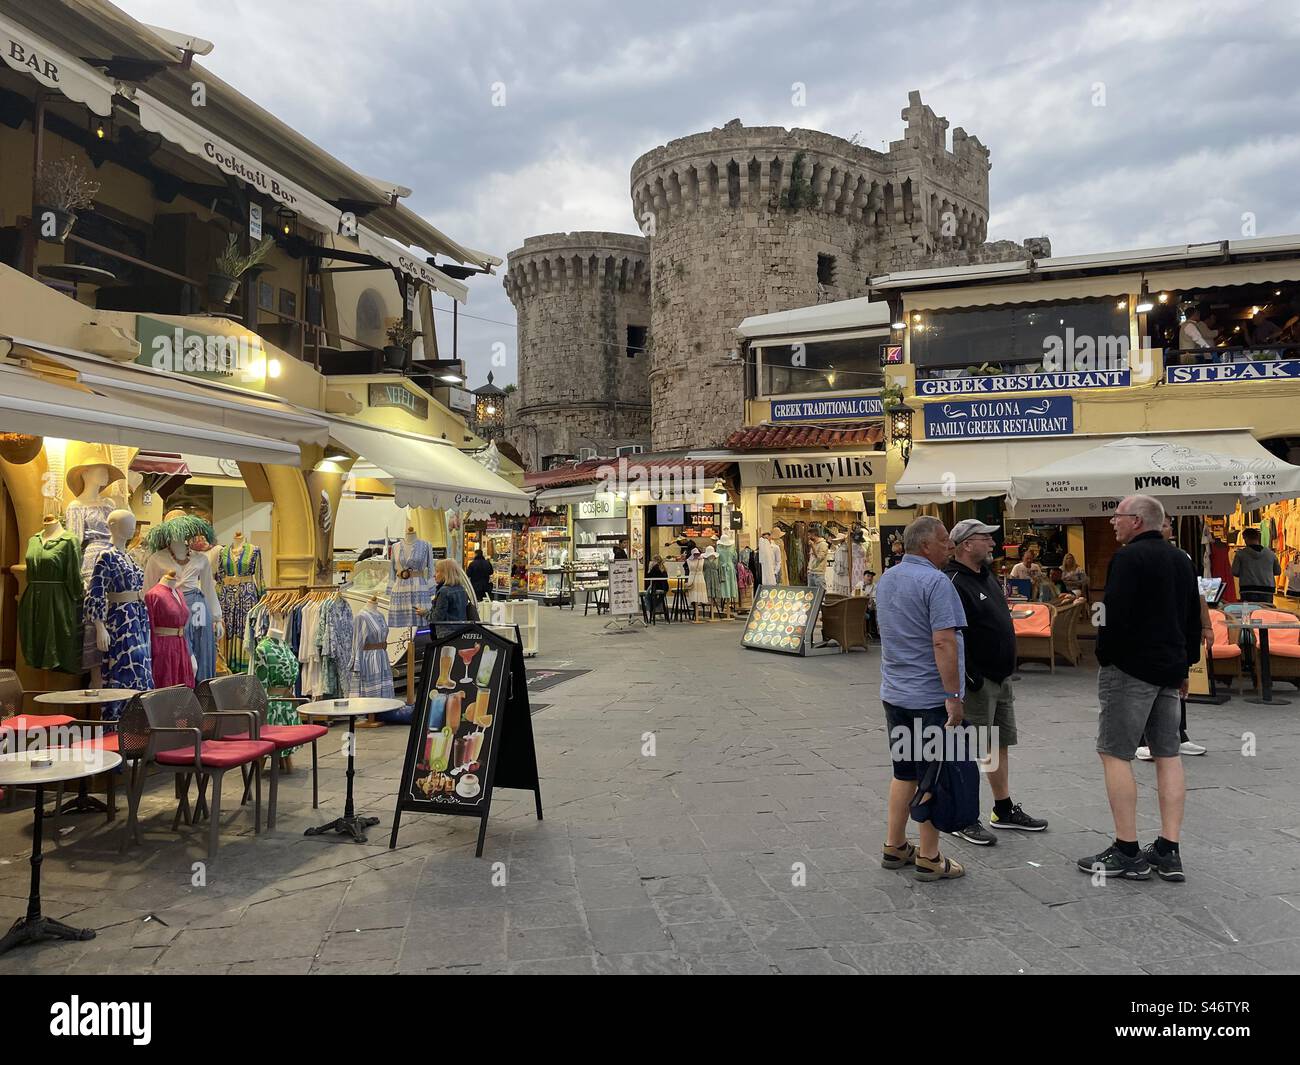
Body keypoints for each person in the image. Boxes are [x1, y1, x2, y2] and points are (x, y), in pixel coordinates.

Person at [1078, 495, 1201, 883]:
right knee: (1168, 754)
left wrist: (1105, 655)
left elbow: (1112, 614)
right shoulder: (1181, 560)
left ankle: (1127, 849)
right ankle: (1169, 848)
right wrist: (1185, 666)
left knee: (1115, 753)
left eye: (1117, 516)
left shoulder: (1128, 559)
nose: (1112, 522)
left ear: (1136, 520)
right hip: (1170, 669)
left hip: (1130, 669)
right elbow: (1191, 616)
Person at [944, 519, 1049, 847]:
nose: (992, 543)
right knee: (966, 749)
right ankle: (963, 817)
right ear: (965, 544)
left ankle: (1002, 809)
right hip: (978, 681)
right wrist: (968, 677)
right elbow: (950, 636)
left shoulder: (985, 574)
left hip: (1001, 677)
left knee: (996, 744)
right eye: (984, 538)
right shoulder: (953, 581)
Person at [875, 516, 967, 882]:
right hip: (928, 696)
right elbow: (943, 641)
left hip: (894, 693)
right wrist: (953, 696)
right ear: (926, 545)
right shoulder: (936, 581)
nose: (950, 545)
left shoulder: (888, 579)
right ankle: (930, 856)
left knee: (904, 772)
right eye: (945, 539)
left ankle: (894, 845)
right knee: (934, 775)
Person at [1136, 516, 1211, 760]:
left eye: (1167, 524)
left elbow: (1197, 594)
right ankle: (1143, 739)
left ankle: (1179, 734)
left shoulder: (1183, 558)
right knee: (1146, 686)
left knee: (1178, 682)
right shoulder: (1135, 556)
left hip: (1177, 631)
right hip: (1147, 633)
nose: (1162, 529)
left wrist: (1206, 625)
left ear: (1172, 530)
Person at [430, 557, 480, 635]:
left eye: (437, 571)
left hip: (447, 633)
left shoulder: (444, 591)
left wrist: (424, 613)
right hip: (462, 631)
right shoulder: (462, 589)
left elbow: (437, 618)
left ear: (445, 573)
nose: (434, 575)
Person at [1231, 527, 1281, 603]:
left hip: (1247, 589)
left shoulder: (1240, 554)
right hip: (1267, 589)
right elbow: (1278, 571)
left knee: (1249, 613)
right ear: (1257, 538)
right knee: (1266, 612)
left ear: (1245, 538)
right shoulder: (1270, 554)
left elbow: (1235, 572)